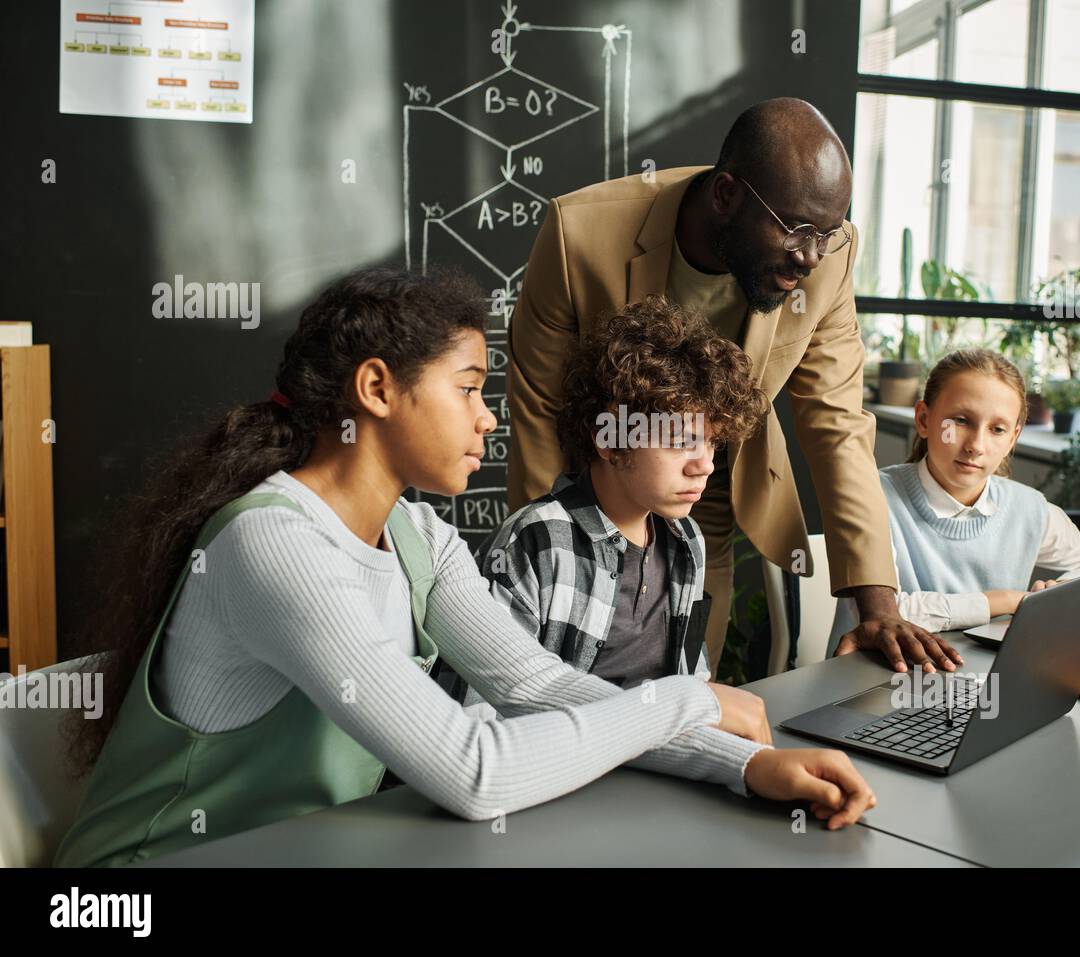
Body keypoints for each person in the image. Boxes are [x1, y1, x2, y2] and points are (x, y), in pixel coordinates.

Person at [55, 266, 874, 867]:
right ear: (377, 388)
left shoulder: (416, 534)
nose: (489, 419)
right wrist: (687, 698)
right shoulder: (274, 546)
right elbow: (474, 769)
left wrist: (746, 764)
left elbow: (539, 684)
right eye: (469, 388)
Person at [507, 97, 962, 677]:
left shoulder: (828, 257)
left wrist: (878, 605)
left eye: (827, 232)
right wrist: (548, 559)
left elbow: (837, 424)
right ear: (726, 195)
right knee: (568, 667)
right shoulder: (581, 234)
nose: (811, 256)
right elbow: (542, 415)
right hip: (600, 472)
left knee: (686, 677)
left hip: (711, 489)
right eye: (797, 230)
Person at [460, 296, 767, 733]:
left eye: (713, 443)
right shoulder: (535, 544)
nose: (705, 465)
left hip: (664, 764)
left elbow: (691, 684)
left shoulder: (687, 541)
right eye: (681, 441)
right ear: (609, 437)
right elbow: (482, 716)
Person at [868, 348, 1080, 638]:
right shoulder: (875, 497)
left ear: (1013, 438)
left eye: (997, 429)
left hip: (979, 676)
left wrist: (1061, 593)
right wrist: (1003, 601)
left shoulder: (1027, 507)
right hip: (878, 676)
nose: (976, 445)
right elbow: (884, 613)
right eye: (961, 421)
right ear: (924, 420)